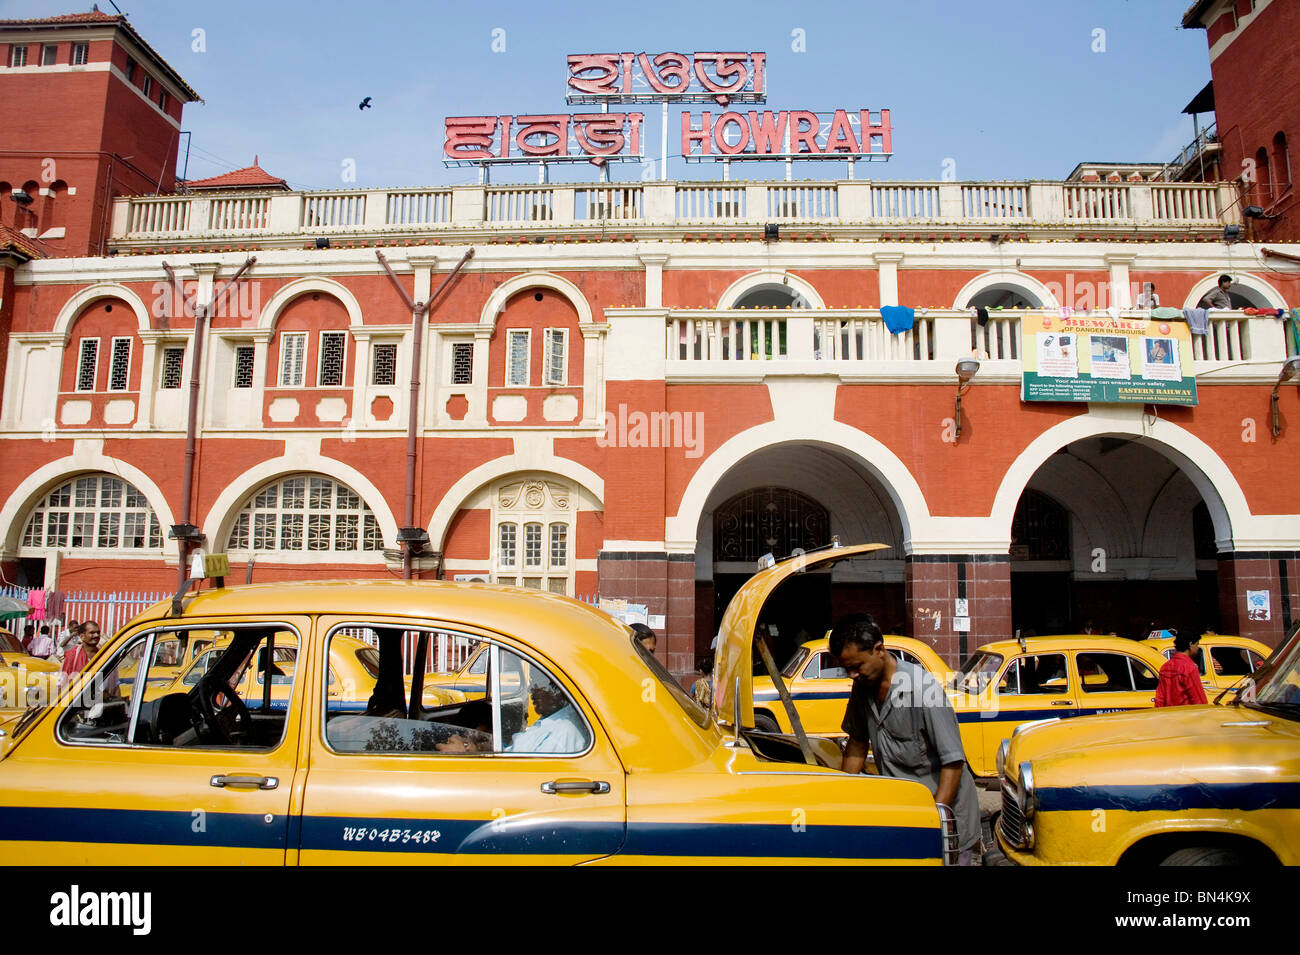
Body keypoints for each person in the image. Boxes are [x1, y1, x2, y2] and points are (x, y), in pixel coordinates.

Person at [831, 613, 982, 865]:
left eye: (857, 666)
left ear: (879, 649)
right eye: (847, 668)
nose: (852, 675)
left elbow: (953, 762)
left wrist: (933, 822)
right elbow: (857, 743)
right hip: (905, 817)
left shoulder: (922, 689)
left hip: (945, 821)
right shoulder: (863, 687)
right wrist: (842, 798)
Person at [1154, 630, 1208, 707]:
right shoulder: (1189, 667)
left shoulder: (1165, 667)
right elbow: (1199, 700)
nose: (1197, 648)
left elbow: (1160, 699)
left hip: (1168, 716)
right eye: (1197, 645)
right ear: (1190, 644)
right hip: (1186, 716)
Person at [59, 621, 101, 687]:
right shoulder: (72, 656)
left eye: (98, 632)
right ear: (82, 636)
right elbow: (62, 683)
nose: (96, 635)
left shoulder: (104, 655)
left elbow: (114, 684)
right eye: (92, 633)